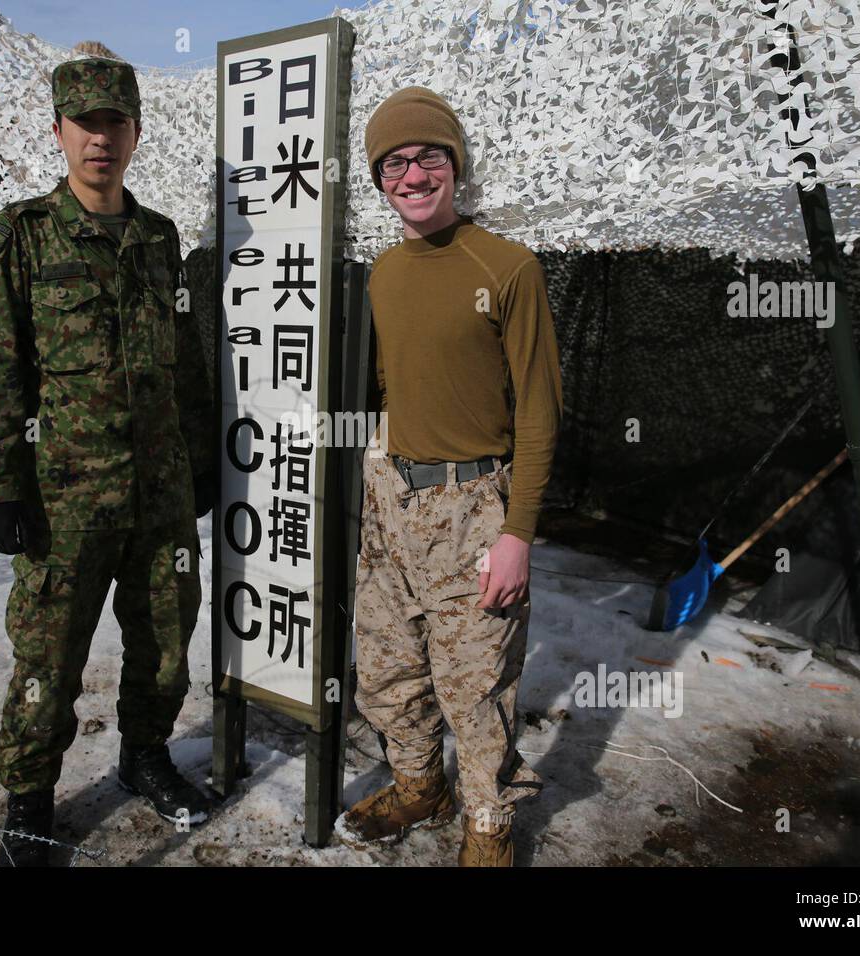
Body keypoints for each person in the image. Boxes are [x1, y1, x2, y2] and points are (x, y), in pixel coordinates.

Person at [0, 56, 216, 866]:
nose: (99, 138)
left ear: (135, 132)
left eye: (114, 122)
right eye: (84, 122)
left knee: (167, 640)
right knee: (49, 657)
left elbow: (183, 354)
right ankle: (31, 803)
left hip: (160, 490)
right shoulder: (23, 234)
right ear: (59, 131)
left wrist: (201, 451)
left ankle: (145, 757)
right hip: (64, 495)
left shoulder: (157, 237)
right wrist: (1, 484)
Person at [334, 87, 564, 866]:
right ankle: (418, 785)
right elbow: (393, 386)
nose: (412, 174)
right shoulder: (384, 274)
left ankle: (489, 827)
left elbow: (538, 414)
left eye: (428, 156)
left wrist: (517, 534)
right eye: (393, 163)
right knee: (390, 668)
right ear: (379, 179)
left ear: (454, 165)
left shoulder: (506, 266)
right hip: (390, 498)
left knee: (476, 688)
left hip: (473, 508)